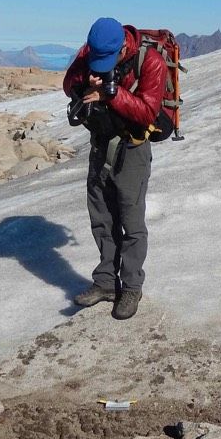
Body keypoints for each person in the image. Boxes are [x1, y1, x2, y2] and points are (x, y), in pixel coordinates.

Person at [63, 17, 167, 320]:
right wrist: (84, 85)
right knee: (101, 216)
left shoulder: (151, 62)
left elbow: (149, 110)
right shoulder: (91, 51)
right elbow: (69, 82)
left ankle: (132, 285)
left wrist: (111, 93)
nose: (100, 64)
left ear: (124, 45)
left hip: (132, 148)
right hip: (100, 144)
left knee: (131, 221)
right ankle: (106, 282)